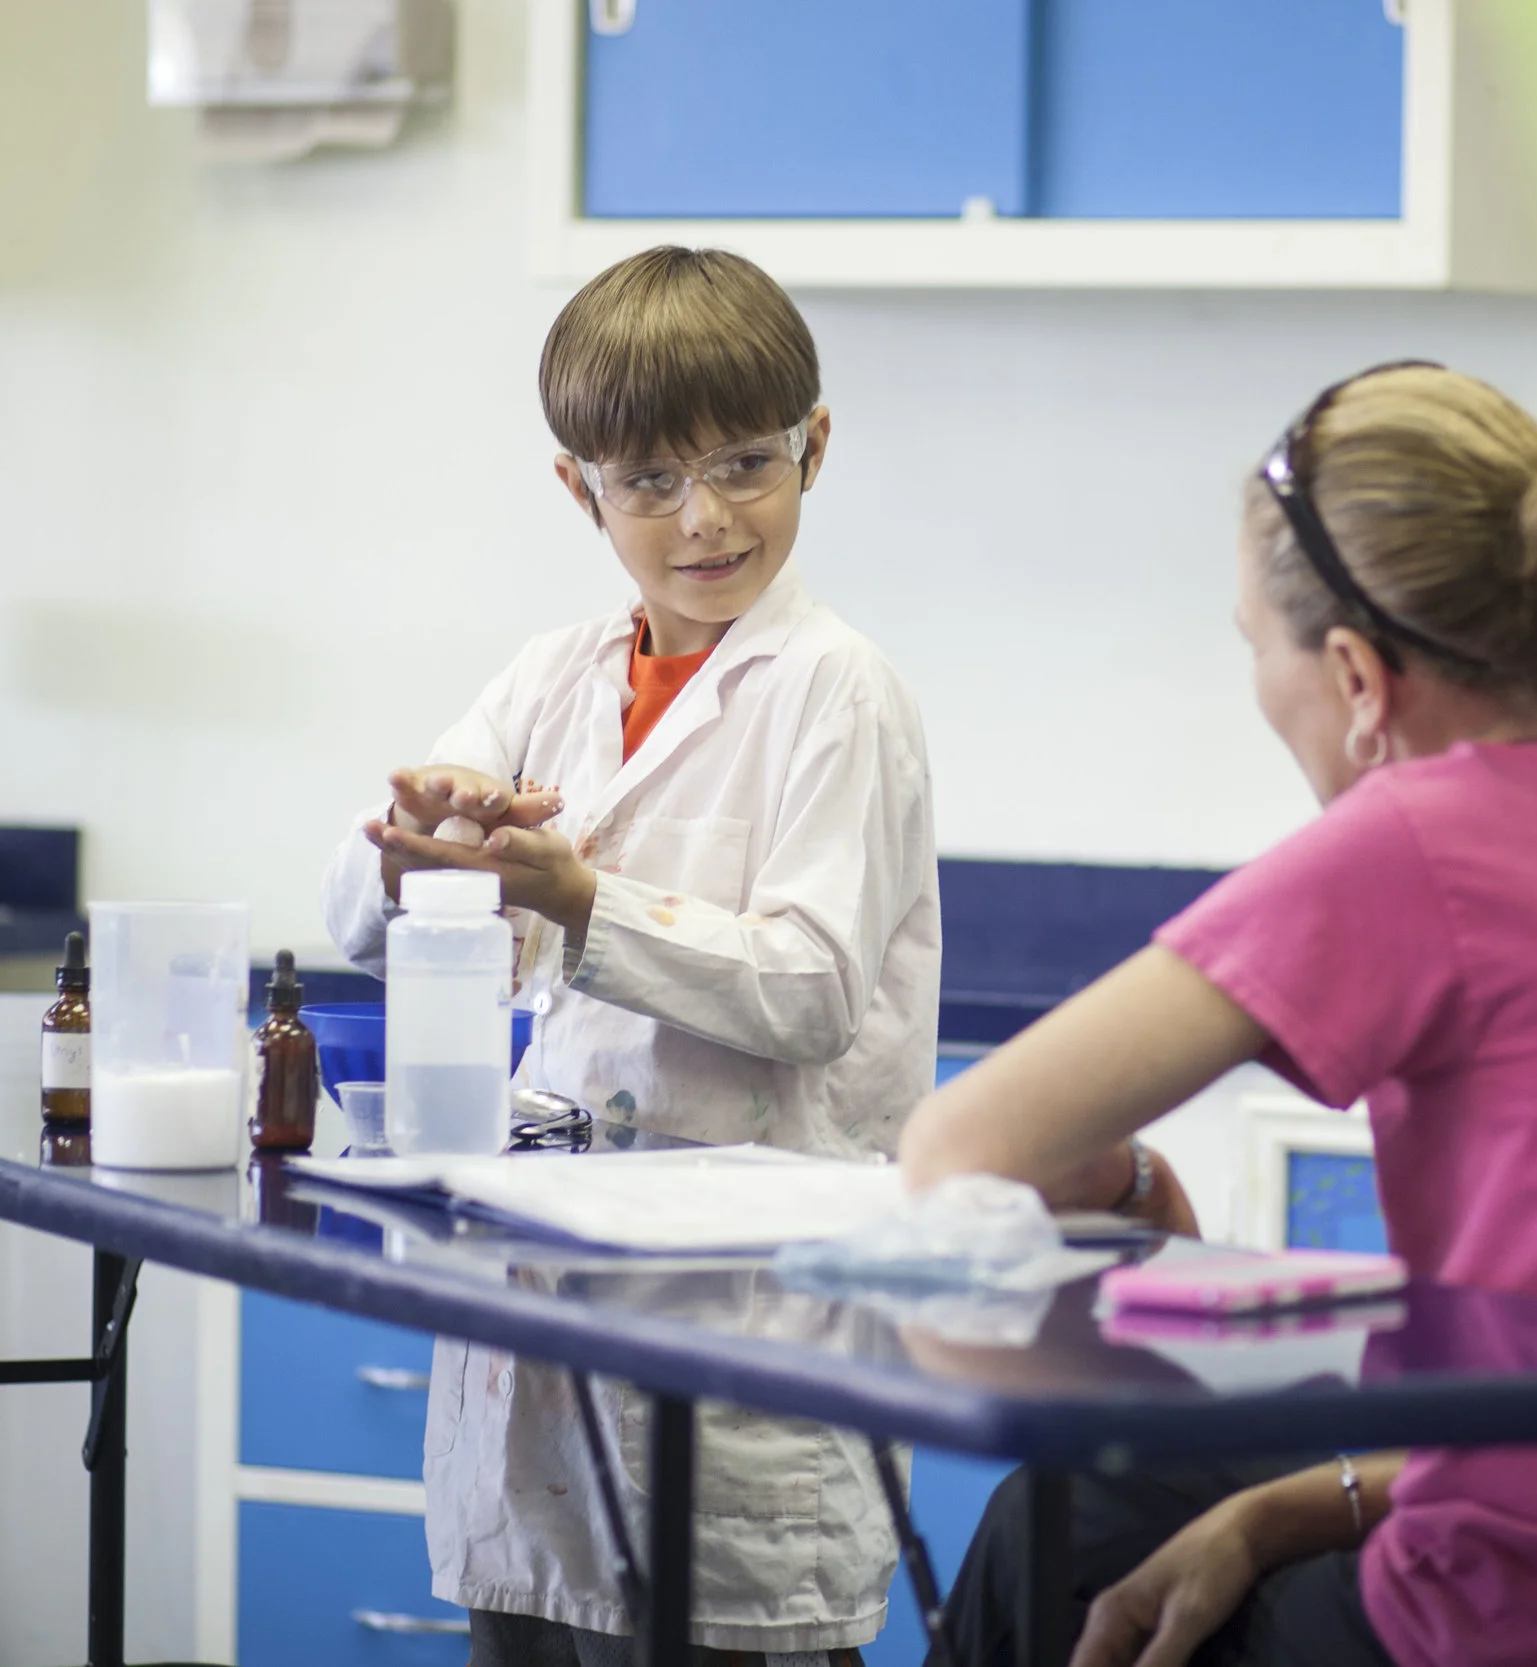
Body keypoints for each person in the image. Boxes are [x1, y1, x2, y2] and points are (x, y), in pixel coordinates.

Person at [899, 363, 1537, 1666]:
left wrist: (1136, 1182)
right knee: (1174, 1513)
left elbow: (958, 1150)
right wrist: (1273, 1516)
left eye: (1252, 647)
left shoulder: (1423, 840)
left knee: (1059, 1524)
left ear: (1355, 676)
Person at [320, 246, 942, 1666]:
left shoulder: (840, 692)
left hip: (746, 1344)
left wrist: (585, 901)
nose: (704, 516)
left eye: (744, 465)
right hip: (547, 1344)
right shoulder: (551, 675)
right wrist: (415, 841)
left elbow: (808, 988)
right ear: (579, 486)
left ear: (815, 447)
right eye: (650, 480)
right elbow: (367, 906)